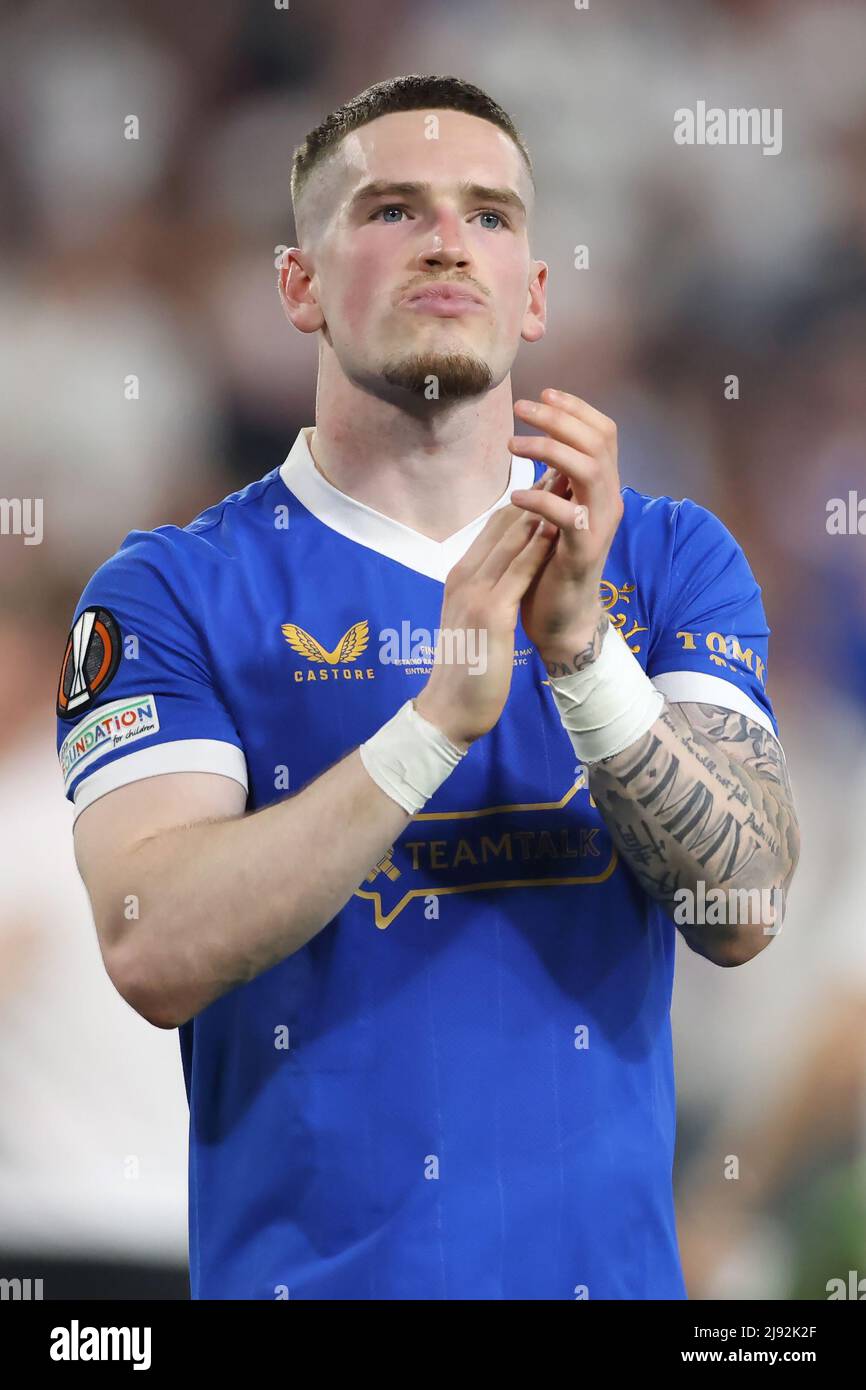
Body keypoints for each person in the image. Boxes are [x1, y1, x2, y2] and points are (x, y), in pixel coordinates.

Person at [55, 75, 799, 1300]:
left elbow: (746, 903)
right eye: (392, 210)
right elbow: (152, 948)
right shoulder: (169, 594)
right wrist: (434, 722)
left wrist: (582, 658)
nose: (449, 240)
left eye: (490, 216)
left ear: (535, 293)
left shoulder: (662, 561)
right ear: (298, 286)